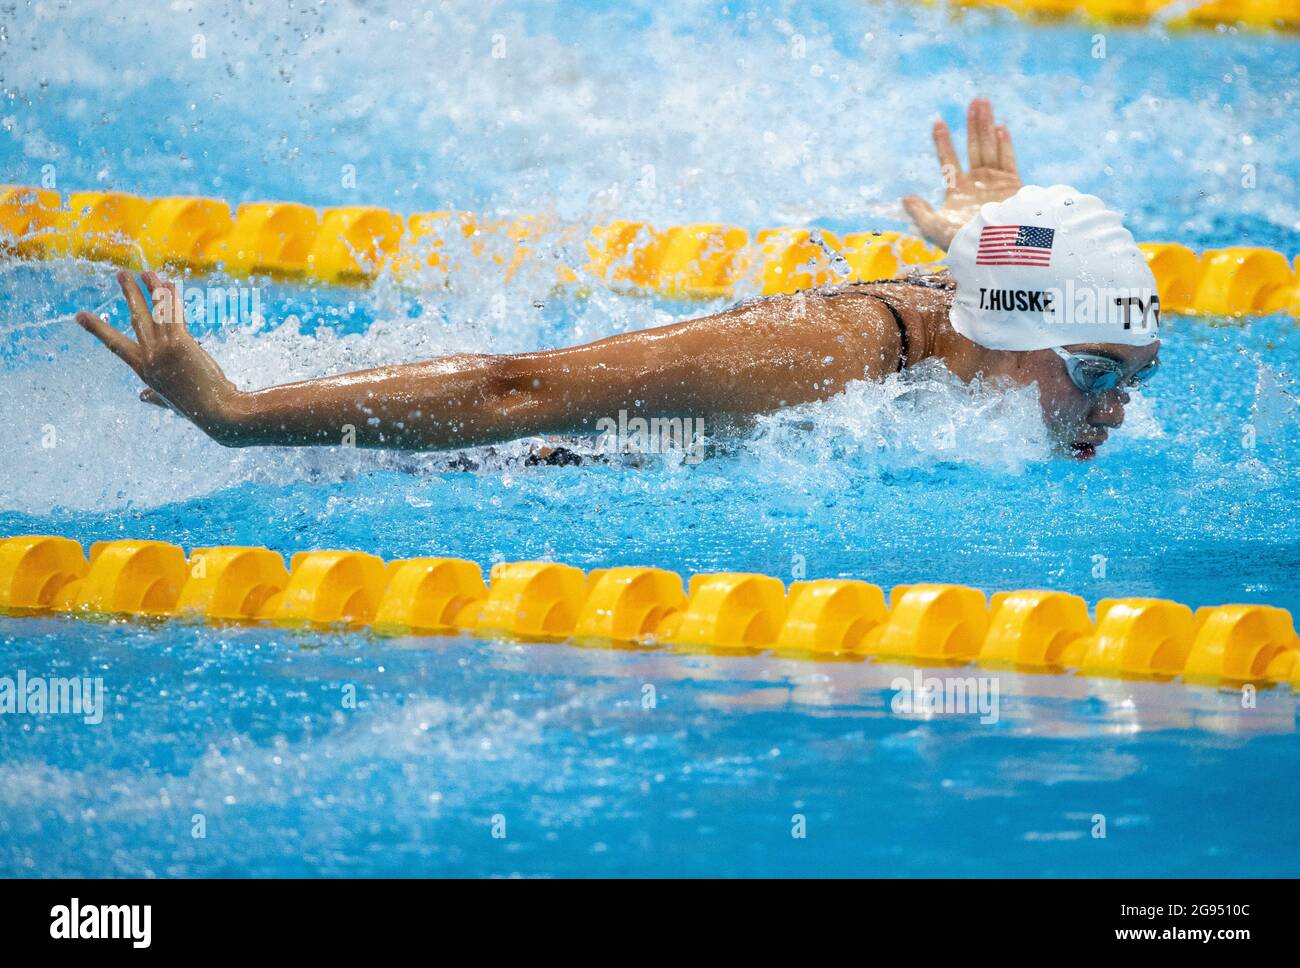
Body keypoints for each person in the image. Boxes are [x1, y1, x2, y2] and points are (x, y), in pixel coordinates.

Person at [76, 97, 1159, 462]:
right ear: (1014, 332)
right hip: (450, 460)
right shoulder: (837, 353)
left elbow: (981, 280)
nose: (1113, 409)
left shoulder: (972, 331)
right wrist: (235, 410)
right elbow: (517, 390)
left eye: (1129, 378)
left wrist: (990, 223)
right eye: (1092, 371)